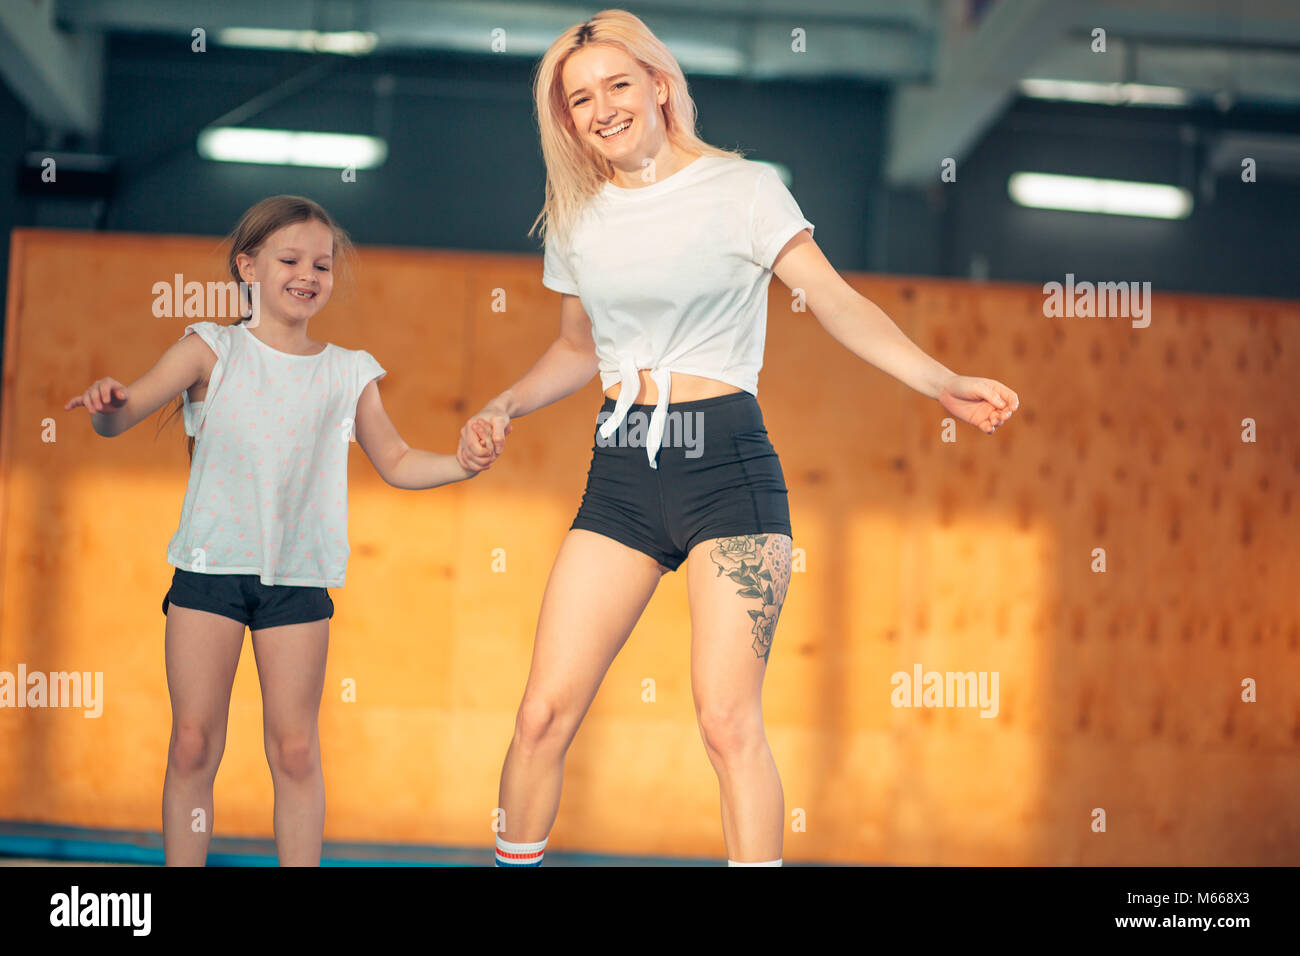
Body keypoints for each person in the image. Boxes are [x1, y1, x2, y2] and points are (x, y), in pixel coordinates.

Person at [457, 10, 1020, 867]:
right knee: (541, 714)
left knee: (725, 722)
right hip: (620, 475)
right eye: (579, 99)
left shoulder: (744, 189)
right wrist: (502, 403)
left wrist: (940, 380)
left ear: (659, 84)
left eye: (617, 84)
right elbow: (578, 348)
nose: (602, 107)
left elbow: (835, 301)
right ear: (565, 119)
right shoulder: (578, 216)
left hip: (726, 472)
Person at [65, 195, 479, 865]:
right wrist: (106, 407)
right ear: (248, 266)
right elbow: (125, 412)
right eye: (290, 259)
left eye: (322, 264)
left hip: (299, 578)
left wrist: (461, 462)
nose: (308, 274)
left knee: (294, 748)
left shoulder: (348, 370)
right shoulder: (212, 346)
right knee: (194, 743)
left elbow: (398, 460)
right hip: (210, 573)